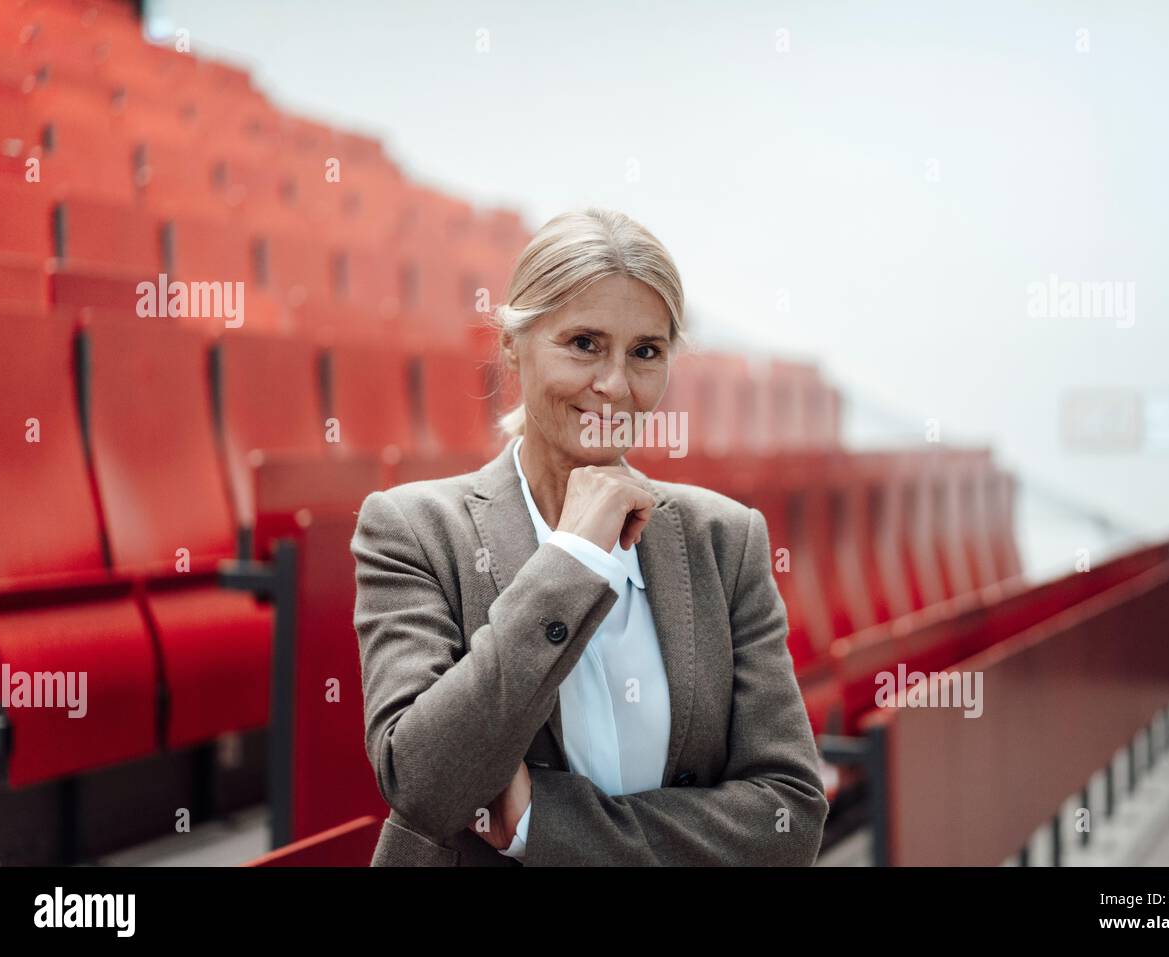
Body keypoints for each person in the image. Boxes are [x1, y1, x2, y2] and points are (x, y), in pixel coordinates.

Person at [350, 208, 828, 865]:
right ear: (514, 343)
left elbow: (789, 816)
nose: (614, 385)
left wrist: (545, 824)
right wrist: (569, 559)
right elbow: (426, 786)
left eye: (645, 353)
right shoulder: (414, 530)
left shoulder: (728, 541)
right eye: (583, 343)